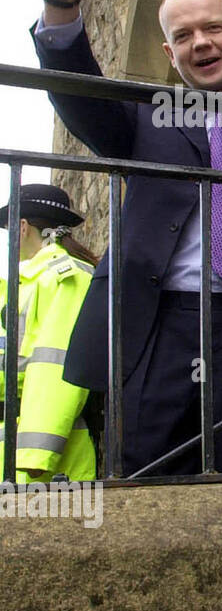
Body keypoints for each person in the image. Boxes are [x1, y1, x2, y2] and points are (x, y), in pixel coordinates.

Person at [25, 0, 222, 476]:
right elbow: (80, 95)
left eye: (212, 28)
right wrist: (60, 4)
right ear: (169, 52)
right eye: (185, 36)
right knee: (145, 479)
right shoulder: (146, 116)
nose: (202, 44)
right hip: (158, 324)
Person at [0, 184, 98, 483]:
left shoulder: (64, 275)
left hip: (39, 464)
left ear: (22, 225)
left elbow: (56, 367)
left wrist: (35, 456)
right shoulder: (30, 280)